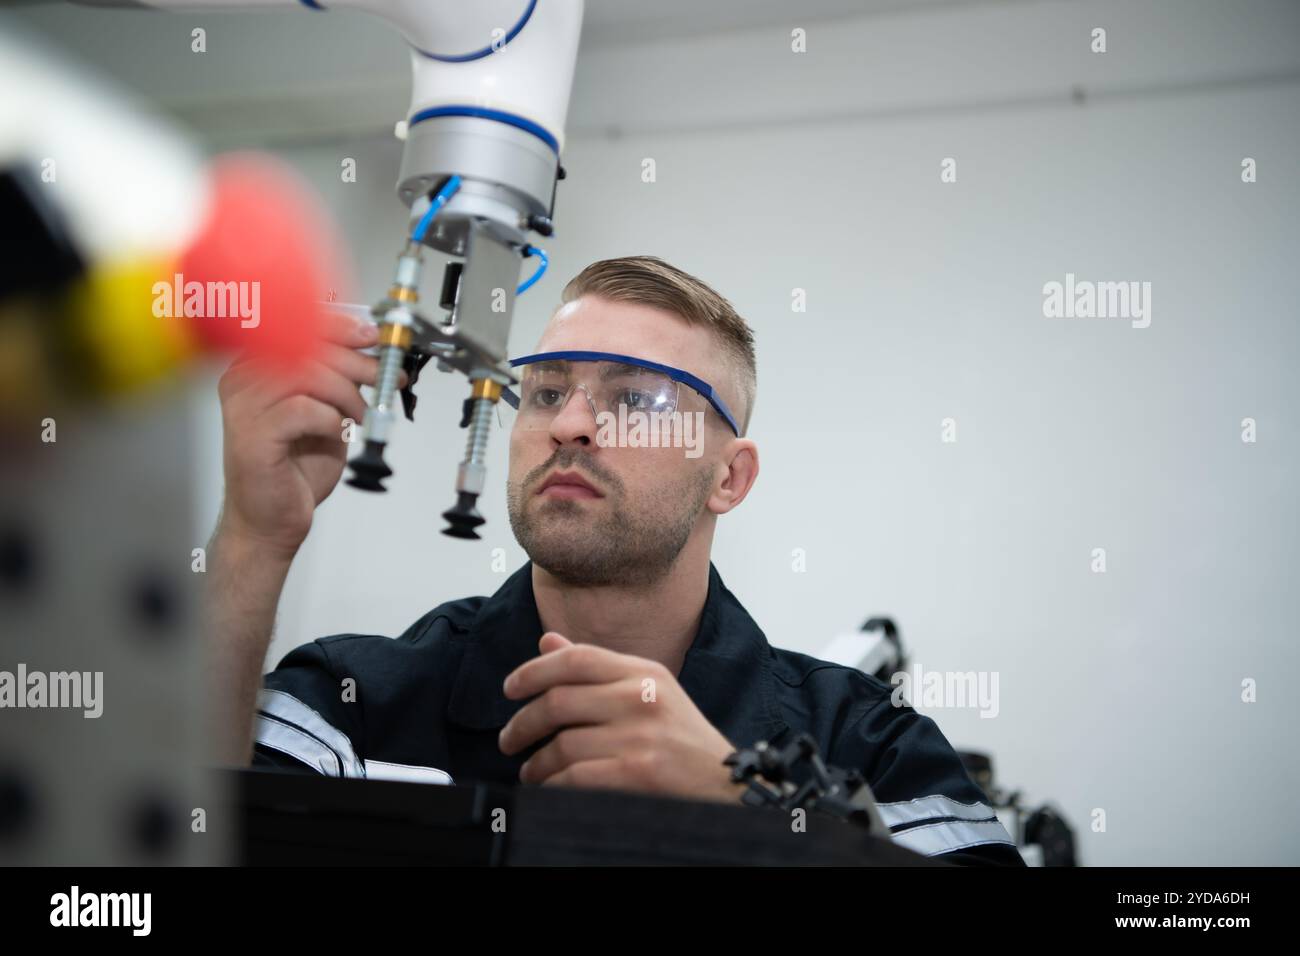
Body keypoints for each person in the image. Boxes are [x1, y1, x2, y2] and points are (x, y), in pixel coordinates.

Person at [207, 255, 1023, 865]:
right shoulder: (356, 708)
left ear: (729, 478)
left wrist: (755, 810)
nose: (571, 424)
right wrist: (253, 535)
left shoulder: (871, 746)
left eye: (636, 399)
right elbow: (152, 851)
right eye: (547, 391)